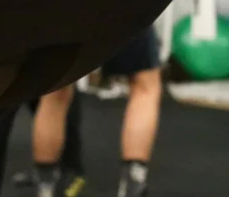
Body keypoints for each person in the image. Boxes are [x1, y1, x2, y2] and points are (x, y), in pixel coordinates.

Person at [31, 27, 164, 197]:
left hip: (65, 8)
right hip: (120, 6)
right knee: (145, 86)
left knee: (56, 89)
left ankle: (45, 187)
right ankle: (131, 187)